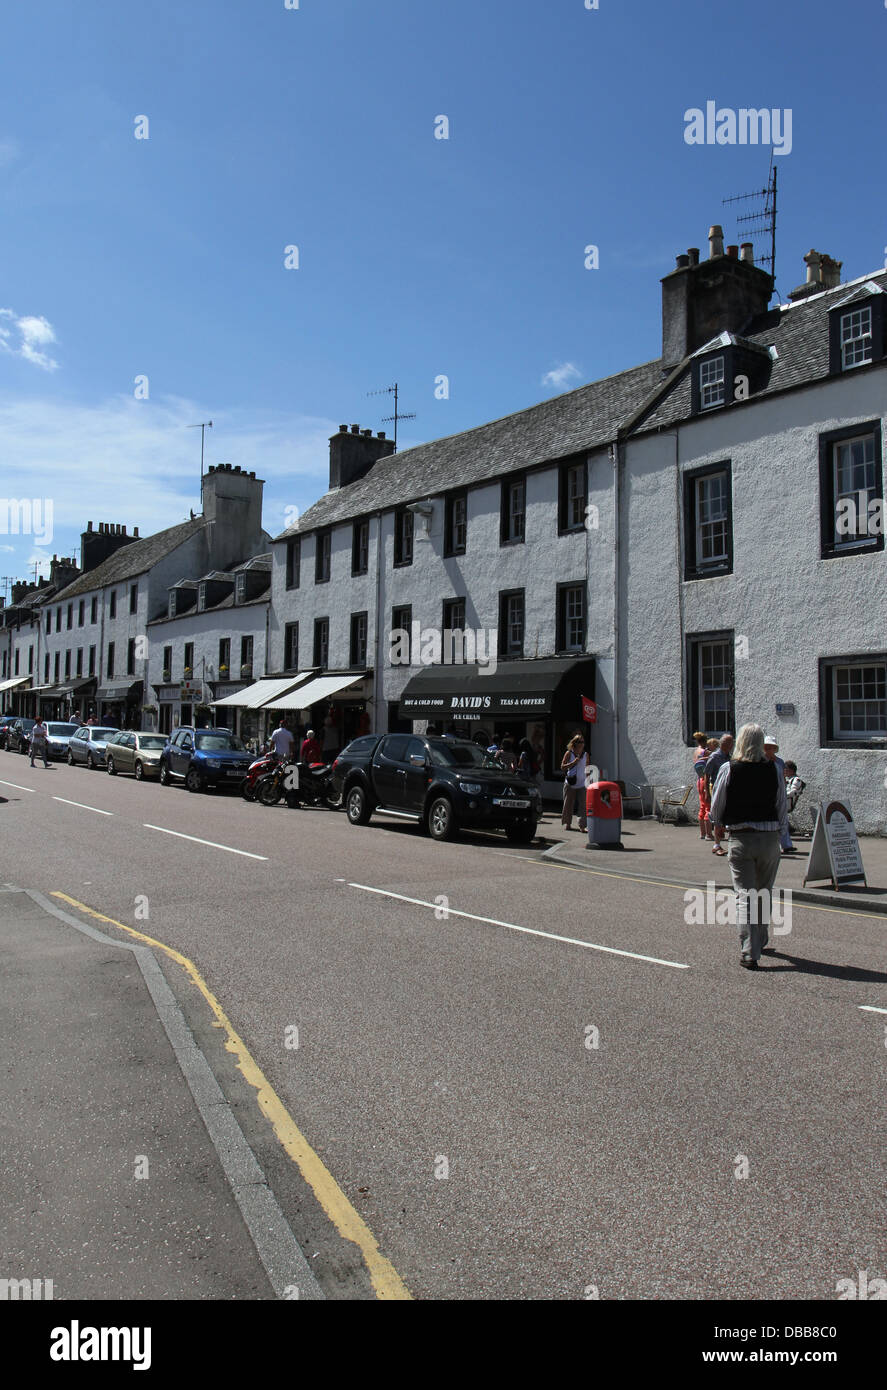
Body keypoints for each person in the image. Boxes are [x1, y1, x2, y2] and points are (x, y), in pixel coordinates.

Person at [709, 723, 787, 970]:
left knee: (745, 896)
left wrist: (718, 824)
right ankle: (760, 939)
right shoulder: (774, 769)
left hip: (741, 837)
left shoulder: (728, 768)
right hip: (769, 837)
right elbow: (781, 804)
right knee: (764, 891)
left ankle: (749, 951)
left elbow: (716, 804)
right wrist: (782, 834)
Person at [705, 733, 734, 855]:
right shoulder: (714, 756)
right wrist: (707, 792)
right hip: (716, 788)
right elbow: (706, 775)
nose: (731, 745)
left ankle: (730, 843)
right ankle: (717, 844)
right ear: (723, 744)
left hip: (728, 788)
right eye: (729, 743)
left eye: (732, 743)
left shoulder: (730, 756)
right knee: (717, 815)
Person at [763, 736, 793, 853]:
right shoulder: (760, 761)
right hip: (767, 795)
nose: (768, 750)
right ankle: (773, 846)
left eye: (771, 747)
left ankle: (786, 844)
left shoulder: (779, 762)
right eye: (766, 747)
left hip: (779, 793)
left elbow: (782, 777)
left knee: (782, 817)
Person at [561, 733, 587, 831]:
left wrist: (588, 779)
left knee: (583, 805)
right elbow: (562, 767)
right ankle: (568, 824)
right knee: (568, 804)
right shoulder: (569, 753)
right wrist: (573, 763)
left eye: (582, 742)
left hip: (582, 783)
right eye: (579, 742)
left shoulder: (585, 754)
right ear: (574, 743)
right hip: (570, 782)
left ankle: (582, 826)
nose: (581, 744)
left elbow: (587, 767)